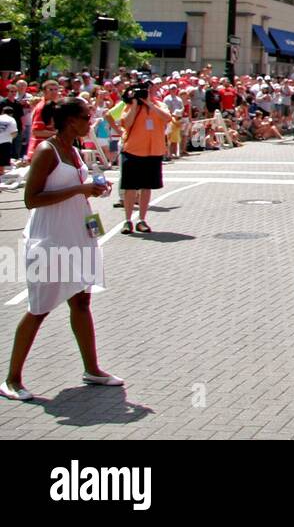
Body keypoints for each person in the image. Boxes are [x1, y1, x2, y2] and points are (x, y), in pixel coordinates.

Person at [2, 98, 120, 401]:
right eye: (86, 117)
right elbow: (32, 199)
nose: (90, 121)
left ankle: (92, 368)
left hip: (78, 234)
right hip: (50, 239)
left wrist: (95, 186)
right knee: (39, 309)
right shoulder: (47, 151)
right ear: (70, 120)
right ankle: (11, 379)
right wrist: (79, 189)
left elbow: (77, 189)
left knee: (82, 302)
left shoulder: (76, 150)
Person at [119, 81, 170, 235]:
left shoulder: (159, 104)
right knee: (130, 187)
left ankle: (142, 219)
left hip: (153, 151)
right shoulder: (130, 105)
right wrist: (135, 104)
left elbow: (167, 118)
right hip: (133, 150)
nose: (144, 92)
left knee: (146, 187)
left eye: (146, 90)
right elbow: (126, 124)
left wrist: (149, 104)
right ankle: (127, 220)